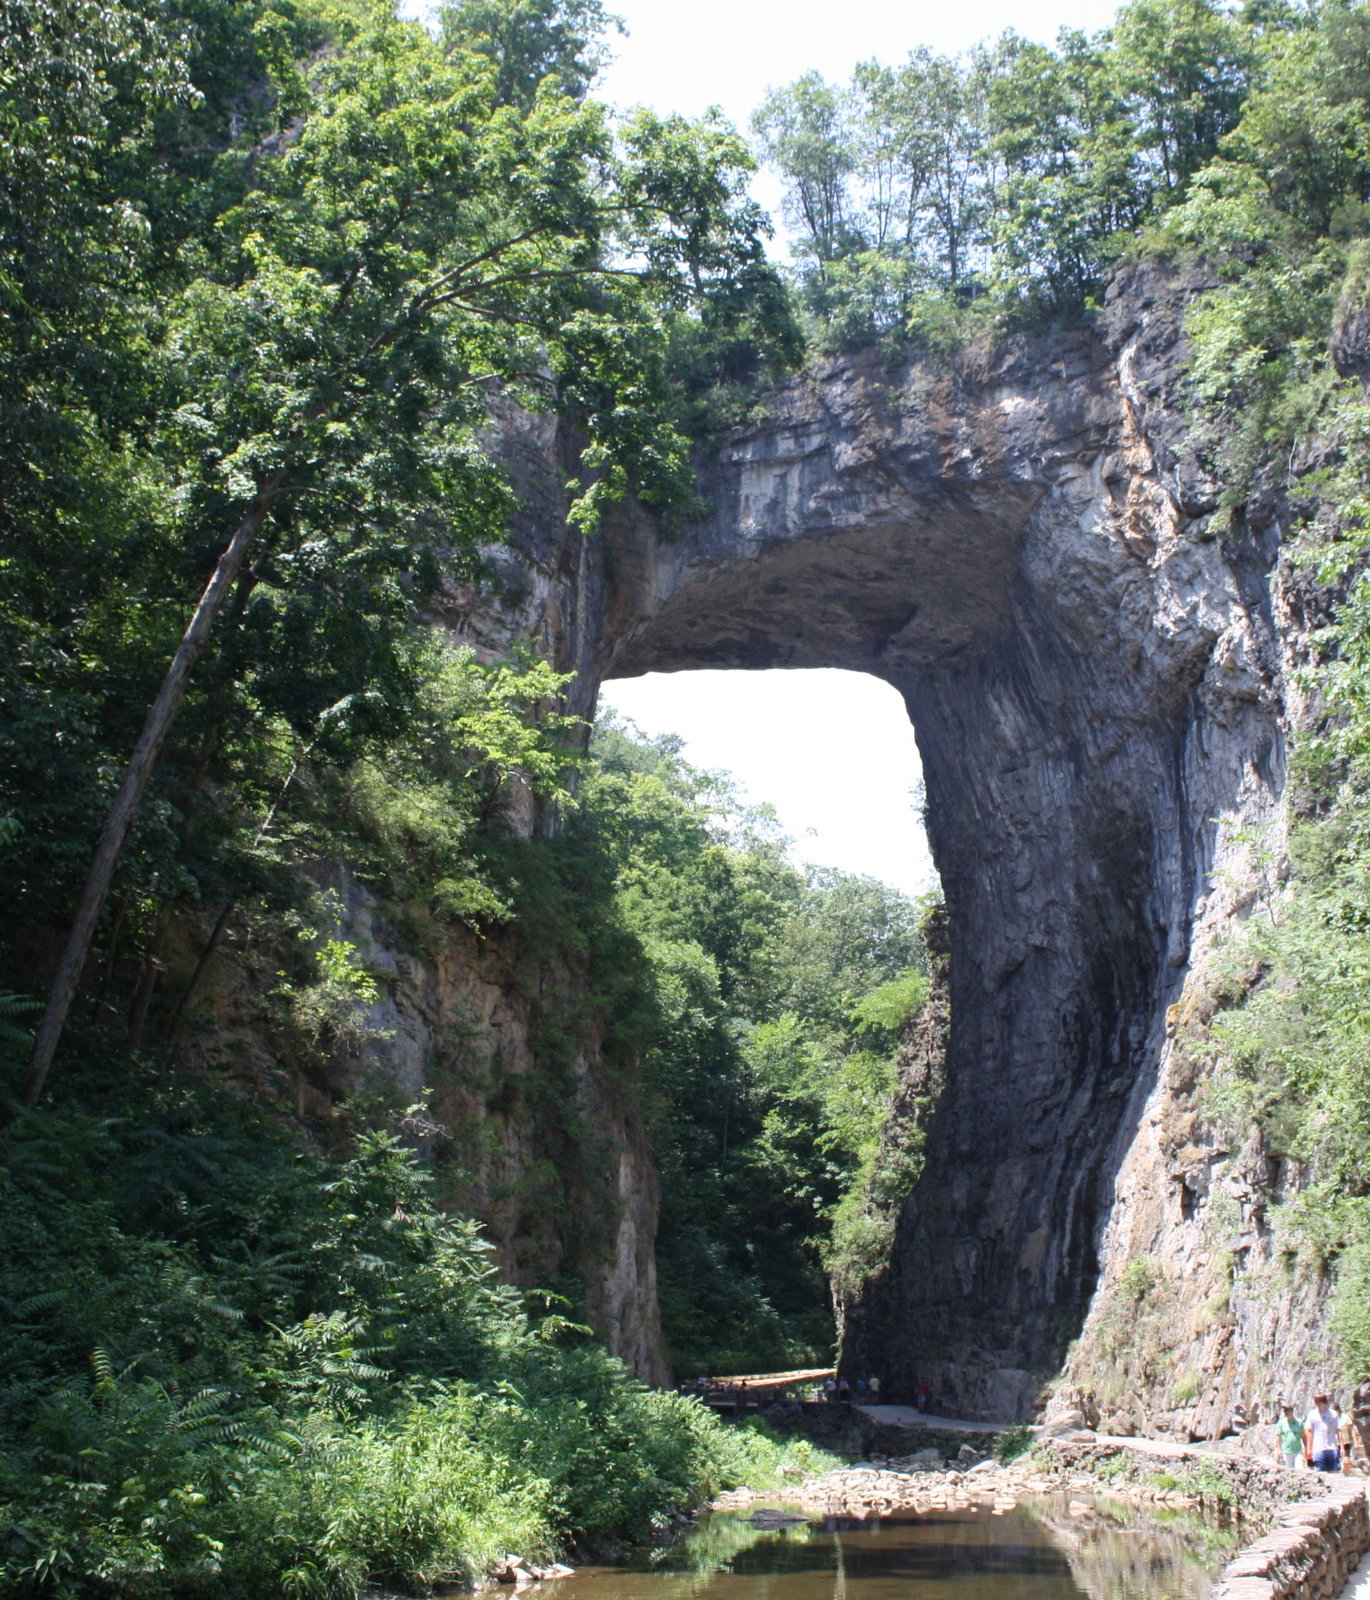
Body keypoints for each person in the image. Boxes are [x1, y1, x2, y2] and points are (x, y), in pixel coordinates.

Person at [1304, 1393, 1342, 1472]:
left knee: (1335, 1472)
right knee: (1320, 1473)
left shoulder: (1333, 1414)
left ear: (1325, 1402)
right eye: (1317, 1403)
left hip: (1332, 1448)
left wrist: (1342, 1447)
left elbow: (1338, 1431)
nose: (1318, 1405)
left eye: (1320, 1403)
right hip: (1318, 1449)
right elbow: (1309, 1433)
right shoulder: (1312, 1414)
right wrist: (1309, 1449)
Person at [1275, 1402, 1304, 1469]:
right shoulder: (1281, 1423)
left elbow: (1303, 1436)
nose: (1285, 1412)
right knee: (1289, 1470)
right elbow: (1278, 1436)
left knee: (1300, 1468)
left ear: (1291, 1411)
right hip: (1286, 1451)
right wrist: (1279, 1449)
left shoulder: (1299, 1422)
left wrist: (1306, 1448)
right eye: (1284, 1411)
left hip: (1297, 1450)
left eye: (1287, 1410)